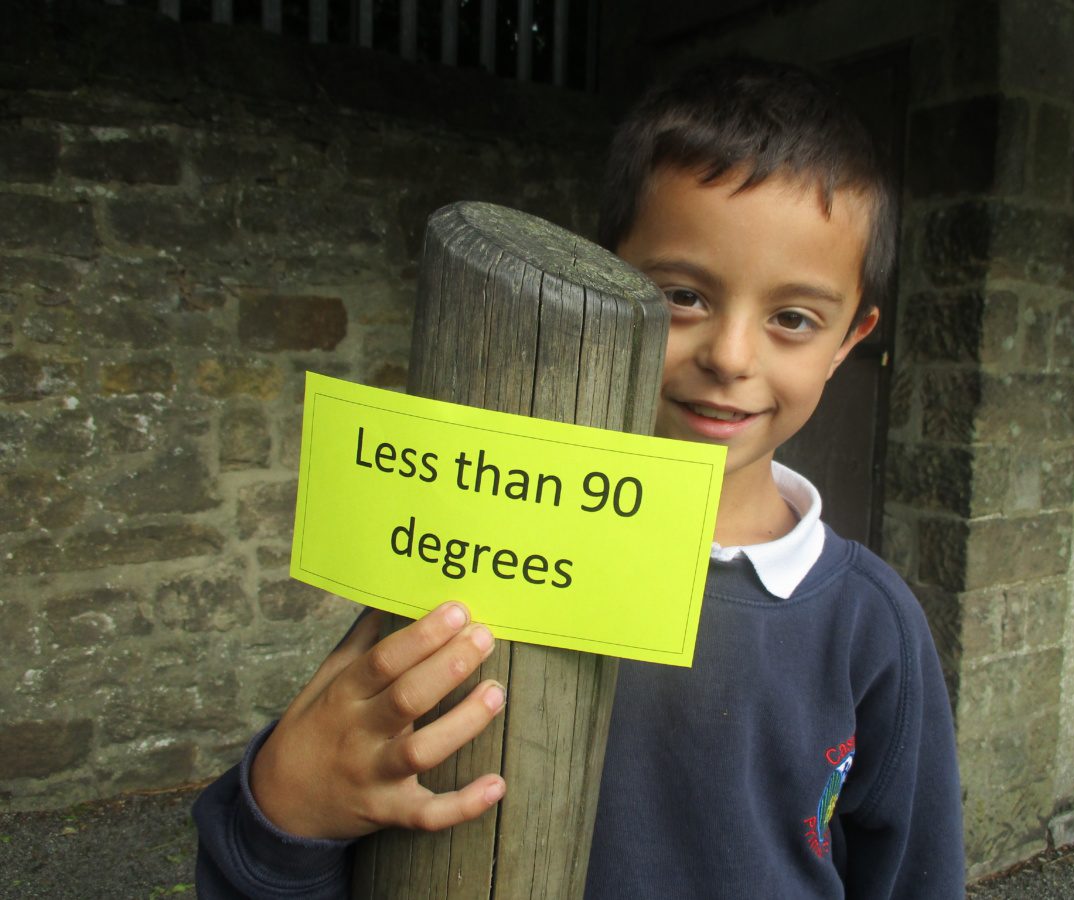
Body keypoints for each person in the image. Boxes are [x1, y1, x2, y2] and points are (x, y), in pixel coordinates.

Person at [193, 57, 965, 898]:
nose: (731, 356)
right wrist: (281, 812)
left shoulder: (871, 628)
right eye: (684, 295)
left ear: (850, 339)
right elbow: (335, 802)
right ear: (605, 282)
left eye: (792, 318)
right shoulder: (486, 545)